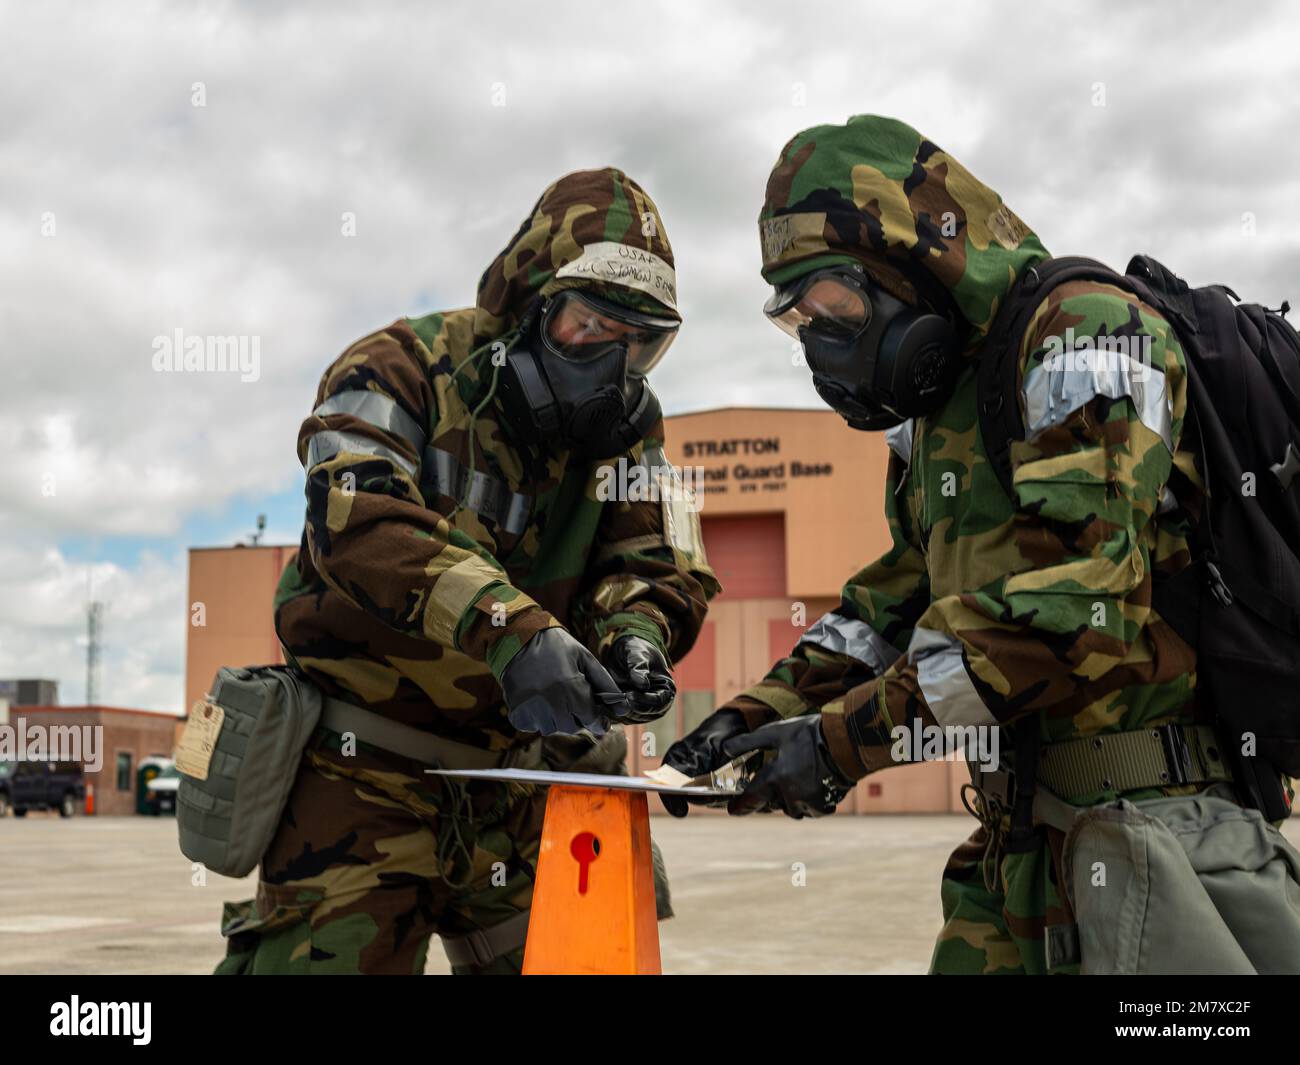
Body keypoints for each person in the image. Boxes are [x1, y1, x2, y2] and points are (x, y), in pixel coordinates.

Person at [663, 115, 1300, 974]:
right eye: (799, 318)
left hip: (1156, 840)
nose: (821, 341)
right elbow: (894, 605)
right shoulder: (934, 423)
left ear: (916, 259)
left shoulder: (1086, 333)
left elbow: (1077, 608)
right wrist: (755, 715)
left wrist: (840, 743)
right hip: (1016, 847)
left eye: (837, 305)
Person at [215, 167, 717, 974]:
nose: (614, 364)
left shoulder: (630, 432)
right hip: (364, 772)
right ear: (528, 304)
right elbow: (358, 516)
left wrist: (639, 637)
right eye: (592, 326)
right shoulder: (397, 369)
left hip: (521, 784)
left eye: (642, 343)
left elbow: (656, 558)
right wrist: (512, 632)